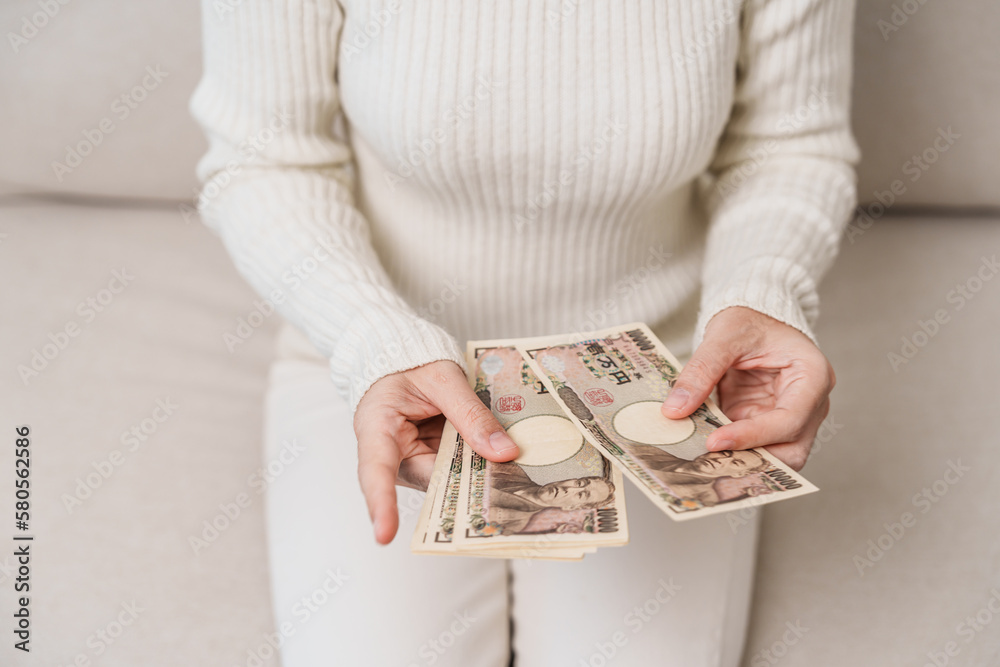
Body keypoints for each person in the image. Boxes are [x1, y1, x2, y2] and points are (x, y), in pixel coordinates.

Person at [191, 1, 856, 665]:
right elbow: (263, 159)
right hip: (374, 367)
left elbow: (789, 146)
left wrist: (764, 292)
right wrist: (371, 340)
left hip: (669, 376)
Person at [627, 444, 770, 508]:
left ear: (739, 474)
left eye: (736, 463)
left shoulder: (704, 497)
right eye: (724, 453)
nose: (720, 460)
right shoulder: (648, 450)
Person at [486, 465, 615, 534]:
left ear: (571, 508)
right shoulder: (510, 471)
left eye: (581, 495)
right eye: (579, 483)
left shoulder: (516, 523)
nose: (568, 489)